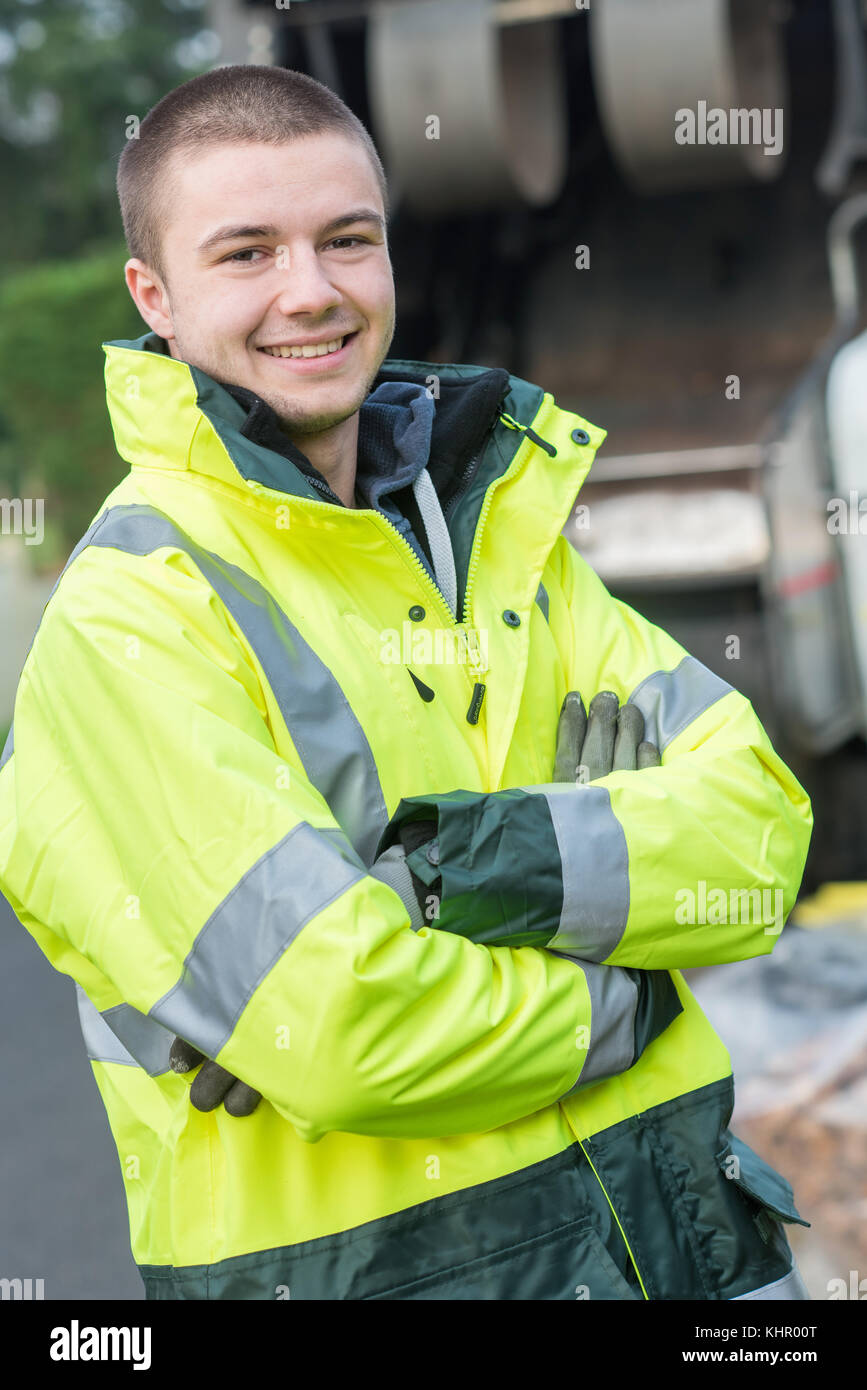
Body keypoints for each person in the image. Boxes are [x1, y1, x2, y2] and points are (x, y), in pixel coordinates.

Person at [0, 64, 814, 1301]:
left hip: (681, 1243)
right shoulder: (133, 615)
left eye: (346, 240)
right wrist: (624, 990)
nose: (310, 292)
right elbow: (342, 1030)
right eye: (247, 254)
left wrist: (449, 873)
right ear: (152, 296)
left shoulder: (493, 536)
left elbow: (757, 837)